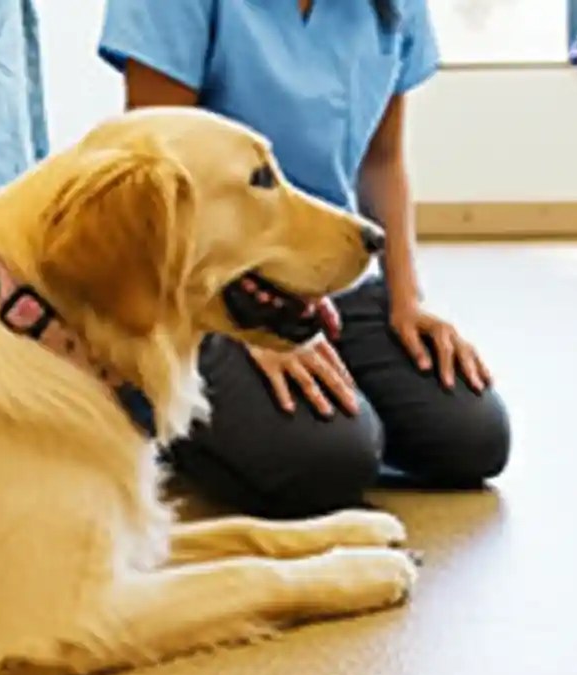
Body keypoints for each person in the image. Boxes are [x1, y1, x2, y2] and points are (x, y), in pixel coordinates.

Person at [98, 0, 511, 519]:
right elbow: (157, 174)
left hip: (330, 276)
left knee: (473, 440)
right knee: (329, 463)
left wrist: (407, 299)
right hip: (206, 293)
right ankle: (160, 410)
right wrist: (252, 323)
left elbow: (382, 162)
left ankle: (322, 419)